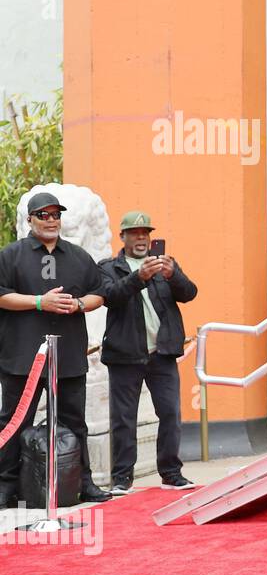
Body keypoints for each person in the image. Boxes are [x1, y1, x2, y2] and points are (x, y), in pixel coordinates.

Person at [0, 191, 149, 507]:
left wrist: (79, 304)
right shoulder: (10, 255)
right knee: (13, 422)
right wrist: (40, 302)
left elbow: (100, 294)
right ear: (30, 219)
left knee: (74, 421)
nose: (51, 220)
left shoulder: (78, 256)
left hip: (68, 357)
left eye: (56, 215)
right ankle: (6, 485)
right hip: (22, 358)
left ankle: (84, 482)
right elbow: (1, 296)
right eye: (44, 215)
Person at [98, 211, 199, 493]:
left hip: (162, 353)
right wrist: (138, 276)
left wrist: (173, 274)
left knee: (169, 414)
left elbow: (190, 293)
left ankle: (171, 473)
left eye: (146, 232)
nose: (141, 237)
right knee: (123, 419)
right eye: (135, 233)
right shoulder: (109, 266)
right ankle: (122, 477)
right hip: (124, 354)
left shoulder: (165, 264)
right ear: (123, 237)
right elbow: (111, 297)